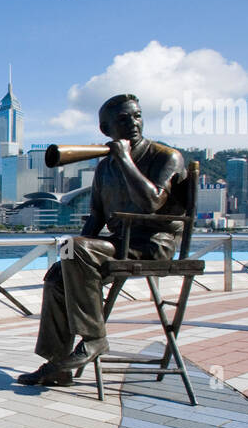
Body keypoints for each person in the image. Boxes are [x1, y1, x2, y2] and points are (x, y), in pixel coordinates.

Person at [17, 94, 185, 387]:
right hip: (120, 244)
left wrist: (124, 159)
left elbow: (152, 203)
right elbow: (95, 217)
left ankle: (94, 339)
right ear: (106, 130)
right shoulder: (104, 168)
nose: (133, 123)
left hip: (152, 246)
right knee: (58, 275)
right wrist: (71, 258)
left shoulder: (165, 157)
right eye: (123, 119)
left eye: (137, 116)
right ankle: (58, 365)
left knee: (77, 251)